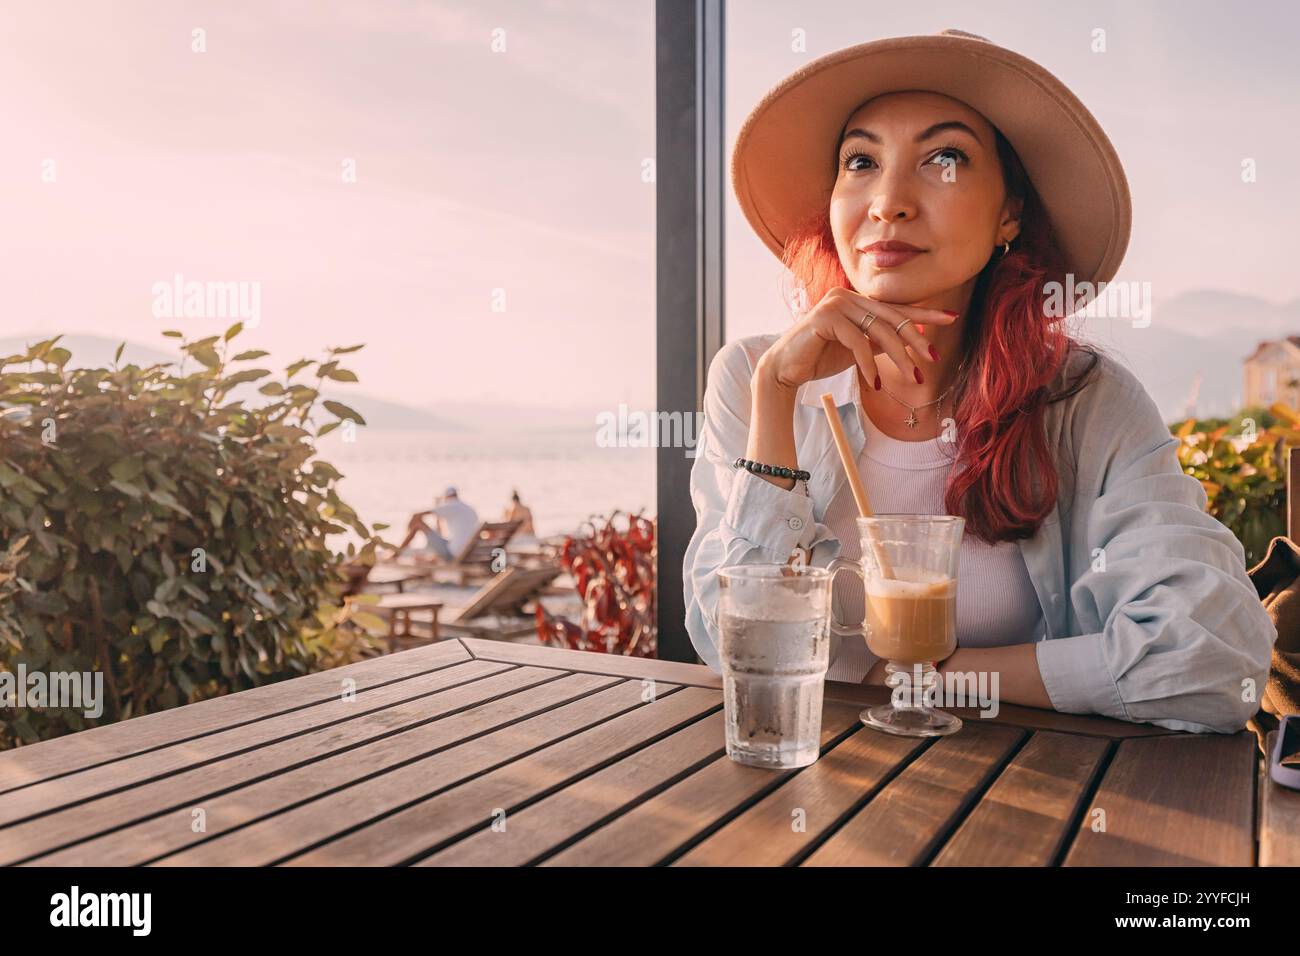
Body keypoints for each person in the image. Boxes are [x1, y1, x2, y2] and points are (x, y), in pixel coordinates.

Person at [683, 29, 1277, 734]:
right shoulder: (759, 379)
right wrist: (776, 399)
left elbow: (1215, 660)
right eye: (861, 161)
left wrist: (924, 678)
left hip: (1034, 803)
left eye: (944, 158)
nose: (889, 201)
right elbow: (733, 644)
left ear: (1010, 214)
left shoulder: (1084, 402)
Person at [408, 486, 479, 562]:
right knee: (445, 542)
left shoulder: (450, 505)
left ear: (446, 497)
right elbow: (440, 532)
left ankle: (398, 552)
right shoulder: (470, 510)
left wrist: (409, 529)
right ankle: (426, 558)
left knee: (418, 524)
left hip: (453, 554)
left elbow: (416, 515)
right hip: (470, 553)